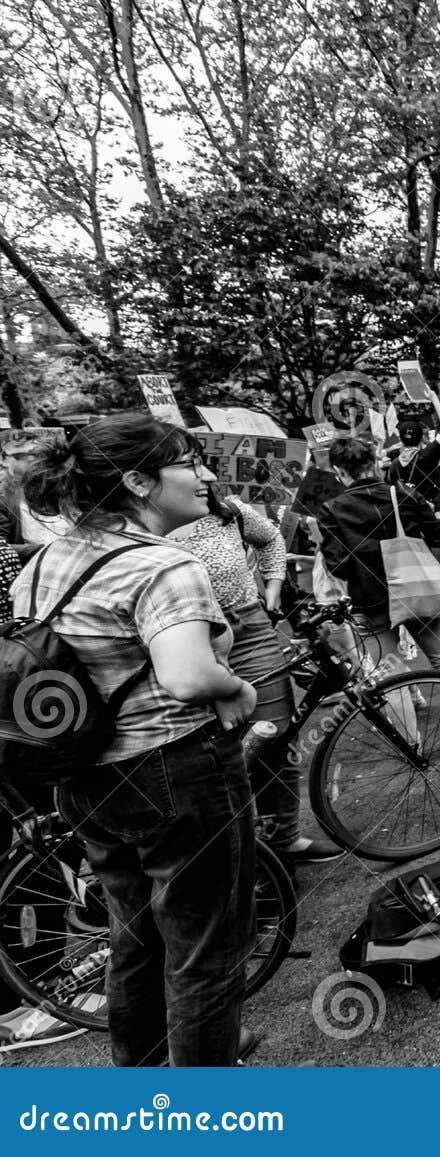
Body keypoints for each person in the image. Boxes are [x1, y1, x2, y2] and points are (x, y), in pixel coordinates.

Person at [9, 414, 258, 1066]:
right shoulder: (163, 562)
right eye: (188, 463)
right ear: (139, 481)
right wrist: (237, 689)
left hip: (84, 776)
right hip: (174, 771)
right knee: (205, 950)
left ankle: (144, 1087)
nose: (205, 476)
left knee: (135, 936)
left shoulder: (42, 566)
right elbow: (186, 675)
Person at [168, 484, 341, 864]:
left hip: (250, 629)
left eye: (199, 463)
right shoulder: (138, 531)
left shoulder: (227, 511)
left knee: (276, 736)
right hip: (185, 644)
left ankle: (285, 839)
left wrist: (274, 588)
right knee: (219, 752)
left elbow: (272, 540)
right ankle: (237, 853)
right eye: (187, 465)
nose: (202, 475)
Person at [316, 436, 440, 745]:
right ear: (373, 462)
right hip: (417, 593)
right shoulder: (402, 494)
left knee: (390, 677)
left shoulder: (331, 509)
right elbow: (439, 536)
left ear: (339, 472)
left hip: (370, 603)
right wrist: (433, 572)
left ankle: (412, 746)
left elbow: (338, 565)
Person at [2, 429, 71, 560]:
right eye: (26, 456)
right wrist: (50, 550)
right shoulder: (4, 499)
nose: (35, 461)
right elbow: (2, 550)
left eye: (37, 455)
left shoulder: (57, 486)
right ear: (4, 459)